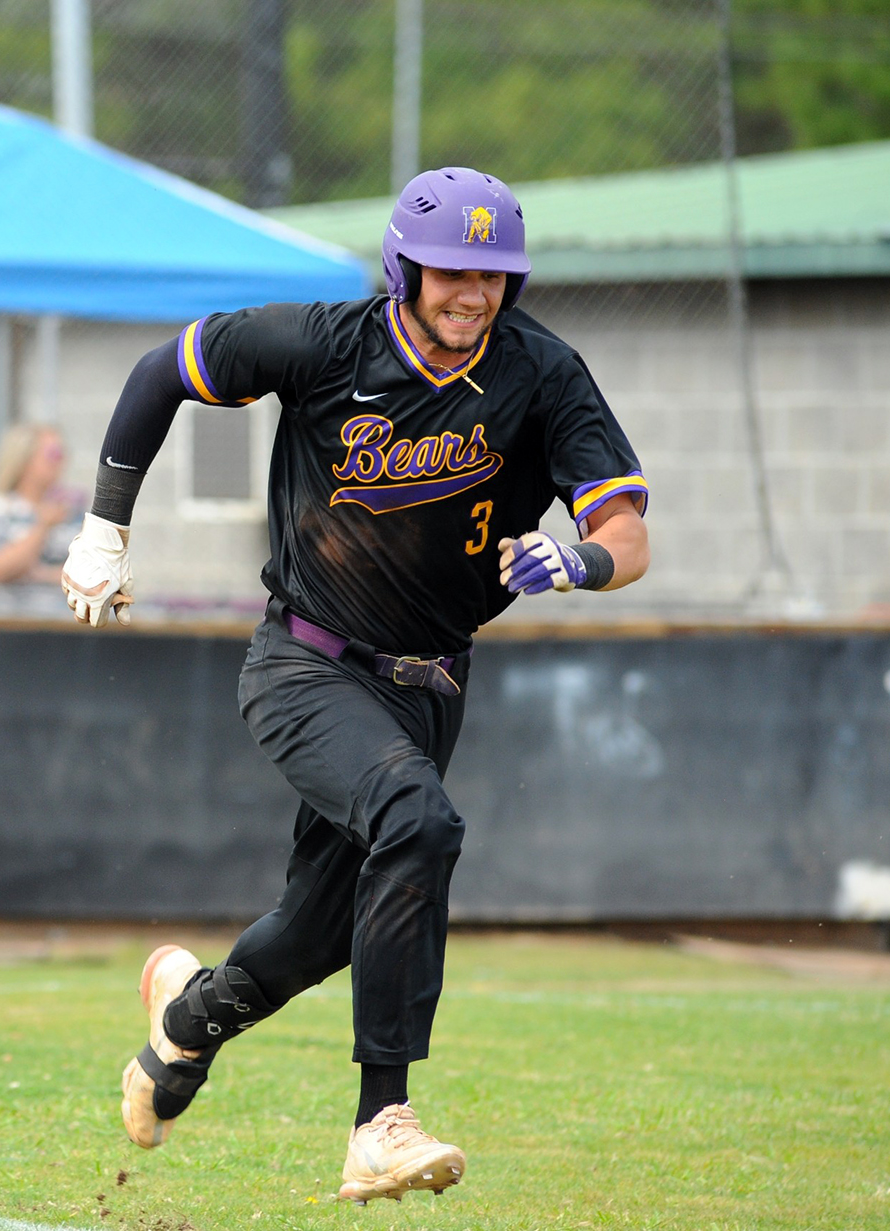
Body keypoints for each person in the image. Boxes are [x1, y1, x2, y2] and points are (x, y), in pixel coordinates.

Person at [61, 167, 649, 1204]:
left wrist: (579, 561)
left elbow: (625, 532)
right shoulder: (324, 343)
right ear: (404, 266)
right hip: (304, 658)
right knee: (416, 824)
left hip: (430, 686)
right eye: (452, 273)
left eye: (494, 276)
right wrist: (104, 526)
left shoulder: (541, 374)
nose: (472, 295)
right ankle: (380, 1120)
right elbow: (161, 372)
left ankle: (182, 1023)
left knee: (322, 930)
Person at [0, 423, 84, 611]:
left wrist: (33, 573)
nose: (60, 461)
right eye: (53, 454)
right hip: (7, 617)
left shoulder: (71, 510)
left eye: (62, 454)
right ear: (24, 458)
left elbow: (86, 574)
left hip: (64, 618)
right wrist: (42, 527)